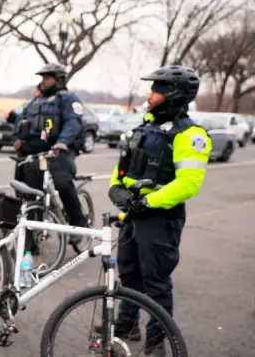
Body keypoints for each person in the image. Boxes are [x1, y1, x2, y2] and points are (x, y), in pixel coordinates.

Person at [102, 65, 209, 355]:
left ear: (174, 94)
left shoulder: (190, 135)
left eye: (157, 90)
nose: (150, 95)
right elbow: (121, 169)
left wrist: (149, 201)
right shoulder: (143, 127)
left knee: (156, 281)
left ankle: (157, 341)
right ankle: (127, 323)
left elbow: (188, 183)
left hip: (160, 218)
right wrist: (117, 190)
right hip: (133, 214)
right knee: (129, 272)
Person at [12, 63, 87, 235]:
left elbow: (73, 122)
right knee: (29, 192)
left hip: (58, 151)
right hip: (36, 153)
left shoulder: (68, 99)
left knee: (63, 184)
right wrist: (17, 138)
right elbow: (21, 120)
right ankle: (30, 236)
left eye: (47, 78)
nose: (43, 82)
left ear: (59, 80)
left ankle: (79, 225)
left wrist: (62, 142)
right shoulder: (37, 101)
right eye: (42, 79)